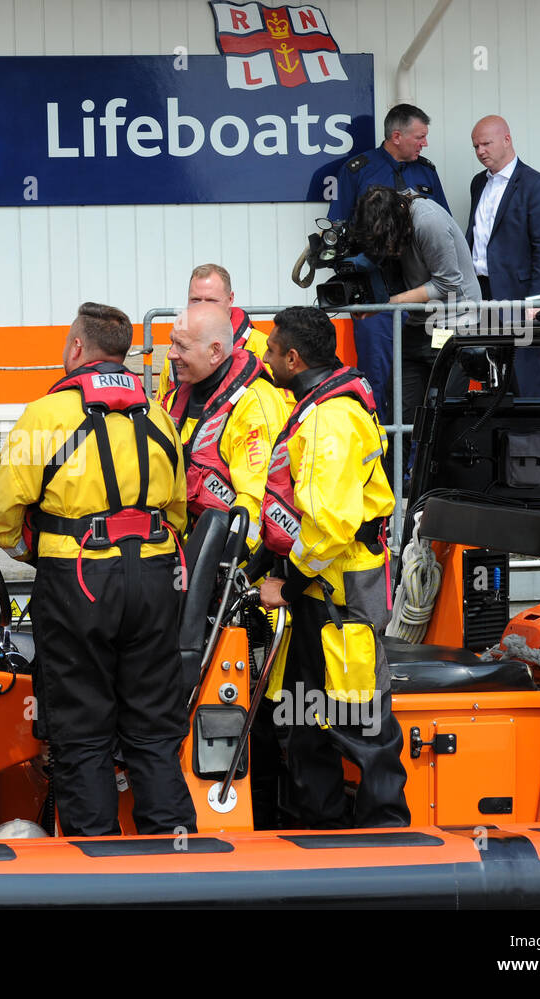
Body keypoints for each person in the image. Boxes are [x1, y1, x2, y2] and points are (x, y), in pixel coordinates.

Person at [0, 302, 197, 838]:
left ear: (76, 348)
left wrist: (43, 552)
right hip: (156, 582)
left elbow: (3, 517)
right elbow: (176, 512)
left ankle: (96, 871)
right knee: (154, 733)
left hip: (77, 583)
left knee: (82, 735)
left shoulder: (44, 416)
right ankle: (179, 863)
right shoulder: (161, 417)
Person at [257, 306, 409, 829]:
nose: (267, 359)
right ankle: (317, 832)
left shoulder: (329, 418)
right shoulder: (322, 406)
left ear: (293, 358)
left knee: (358, 720)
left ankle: (388, 836)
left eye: (273, 352)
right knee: (303, 722)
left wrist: (289, 582)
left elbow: (329, 523)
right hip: (318, 591)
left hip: (337, 593)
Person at [328, 104, 449, 426]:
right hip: (377, 293)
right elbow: (337, 230)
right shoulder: (358, 170)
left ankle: (415, 468)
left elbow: (443, 225)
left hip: (423, 294)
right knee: (377, 377)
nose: (424, 144)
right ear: (397, 136)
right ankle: (380, 462)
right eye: (419, 137)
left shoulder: (426, 171)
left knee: (426, 382)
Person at [349, 184, 481, 473]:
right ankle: (395, 489)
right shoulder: (395, 220)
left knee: (444, 412)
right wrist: (371, 303)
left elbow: (449, 283)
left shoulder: (428, 221)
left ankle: (442, 489)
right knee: (400, 410)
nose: (388, 249)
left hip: (456, 323)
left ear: (397, 218)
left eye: (388, 242)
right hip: (419, 322)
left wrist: (390, 303)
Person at [161, 302, 288, 537]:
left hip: (234, 556)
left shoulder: (253, 403)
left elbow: (255, 500)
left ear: (215, 351)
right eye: (172, 342)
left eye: (182, 346)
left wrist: (233, 560)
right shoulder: (176, 399)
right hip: (187, 544)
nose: (171, 353)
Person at [467, 114, 540, 397]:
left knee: (525, 373)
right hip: (480, 291)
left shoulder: (537, 186)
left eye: (486, 144)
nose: (481, 151)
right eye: (476, 147)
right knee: (488, 371)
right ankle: (502, 439)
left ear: (507, 139)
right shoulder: (478, 184)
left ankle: (538, 439)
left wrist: (536, 301)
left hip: (518, 296)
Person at [156, 263, 269, 403]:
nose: (203, 306)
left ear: (230, 299)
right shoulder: (176, 355)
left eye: (211, 300)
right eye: (195, 300)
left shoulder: (265, 349)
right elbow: (162, 405)